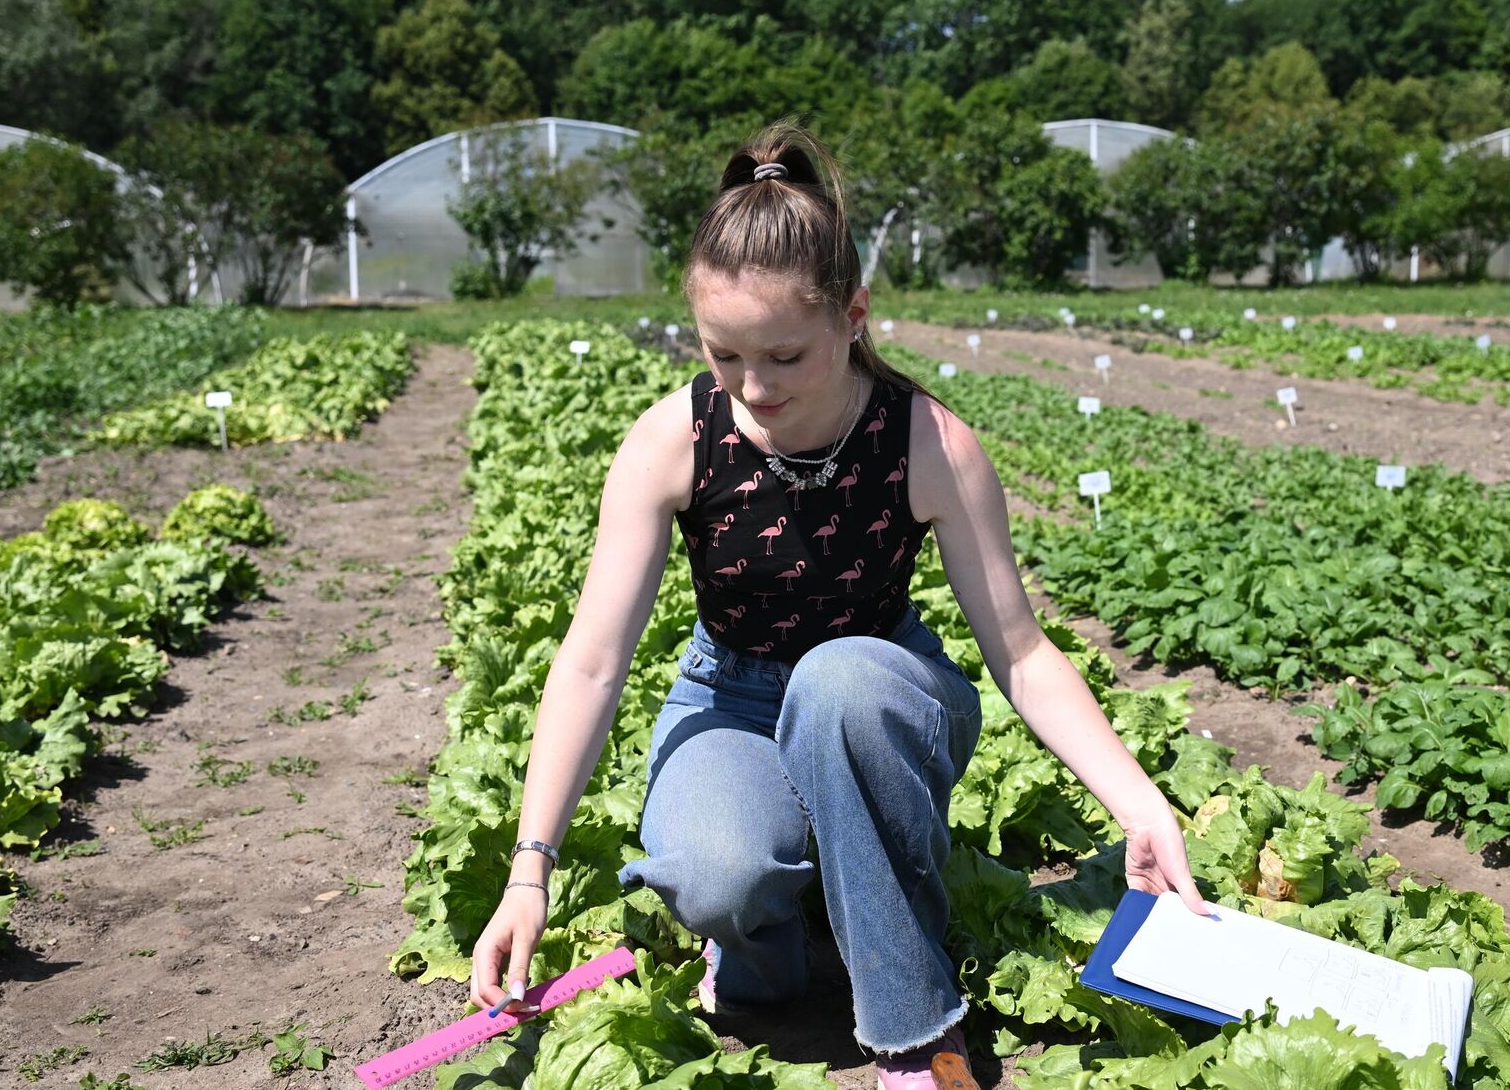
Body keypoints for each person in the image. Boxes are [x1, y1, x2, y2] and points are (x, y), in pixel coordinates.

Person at [467, 119, 1208, 1090]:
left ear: (852, 315)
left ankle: (913, 1030)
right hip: (729, 696)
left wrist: (1139, 802)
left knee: (839, 681)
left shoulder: (926, 442)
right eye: (724, 354)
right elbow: (593, 661)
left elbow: (1022, 653)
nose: (752, 386)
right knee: (718, 873)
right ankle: (767, 938)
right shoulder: (674, 439)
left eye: (784, 355)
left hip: (881, 697)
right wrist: (529, 870)